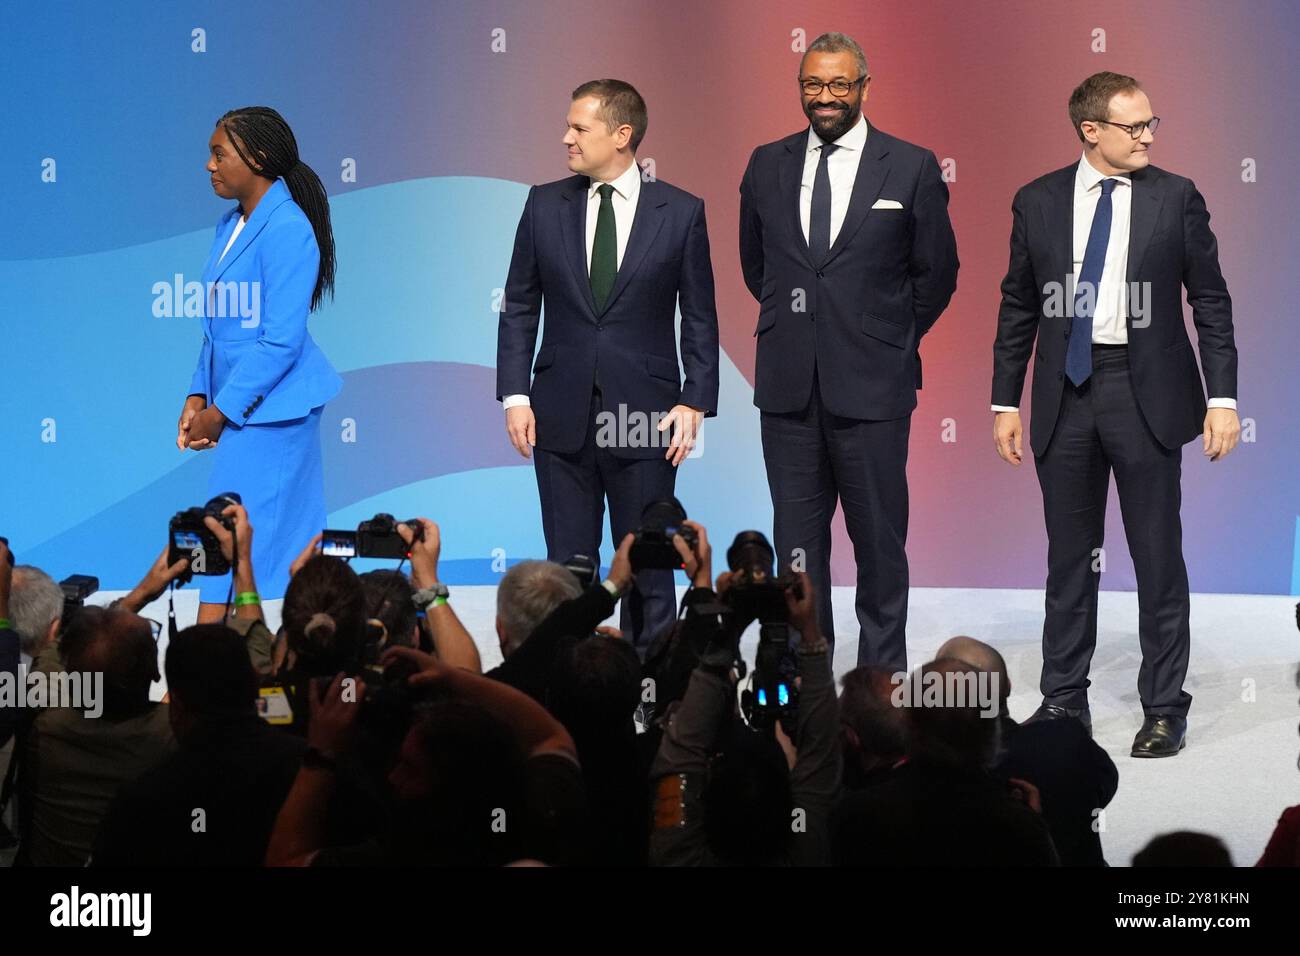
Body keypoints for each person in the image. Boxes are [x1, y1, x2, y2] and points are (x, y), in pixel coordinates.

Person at [991, 72, 1240, 757]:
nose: (1149, 137)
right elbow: (1018, 305)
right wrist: (1004, 400)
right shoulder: (1037, 200)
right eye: (1135, 127)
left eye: (1153, 123)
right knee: (1069, 559)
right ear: (1090, 130)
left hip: (1144, 390)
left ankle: (1164, 706)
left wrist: (1223, 398)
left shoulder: (1176, 197)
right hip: (1063, 395)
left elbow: (1210, 301)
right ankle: (1064, 699)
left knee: (1157, 556)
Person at [739, 32, 958, 669]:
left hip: (874, 387)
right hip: (787, 388)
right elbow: (761, 268)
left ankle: (881, 681)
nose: (825, 96)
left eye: (839, 84)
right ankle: (811, 674)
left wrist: (886, 337)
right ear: (800, 88)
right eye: (813, 84)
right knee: (797, 549)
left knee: (880, 543)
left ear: (864, 86)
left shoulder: (912, 165)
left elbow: (936, 273)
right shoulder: (766, 162)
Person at [496, 78, 720, 654]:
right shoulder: (544, 203)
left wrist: (695, 399)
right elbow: (520, 304)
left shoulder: (682, 212)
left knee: (648, 564)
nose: (565, 137)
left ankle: (649, 693)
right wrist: (515, 396)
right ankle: (569, 685)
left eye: (579, 128)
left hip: (646, 418)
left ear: (622, 136)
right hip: (558, 415)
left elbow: (698, 315)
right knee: (567, 570)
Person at [179, 106, 342, 623]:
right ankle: (226, 661)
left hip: (274, 411)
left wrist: (222, 412)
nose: (209, 164)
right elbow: (217, 327)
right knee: (235, 533)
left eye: (219, 153)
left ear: (260, 157)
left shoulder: (288, 229)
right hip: (243, 405)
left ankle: (209, 664)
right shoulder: (231, 224)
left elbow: (279, 343)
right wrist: (197, 394)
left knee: (230, 530)